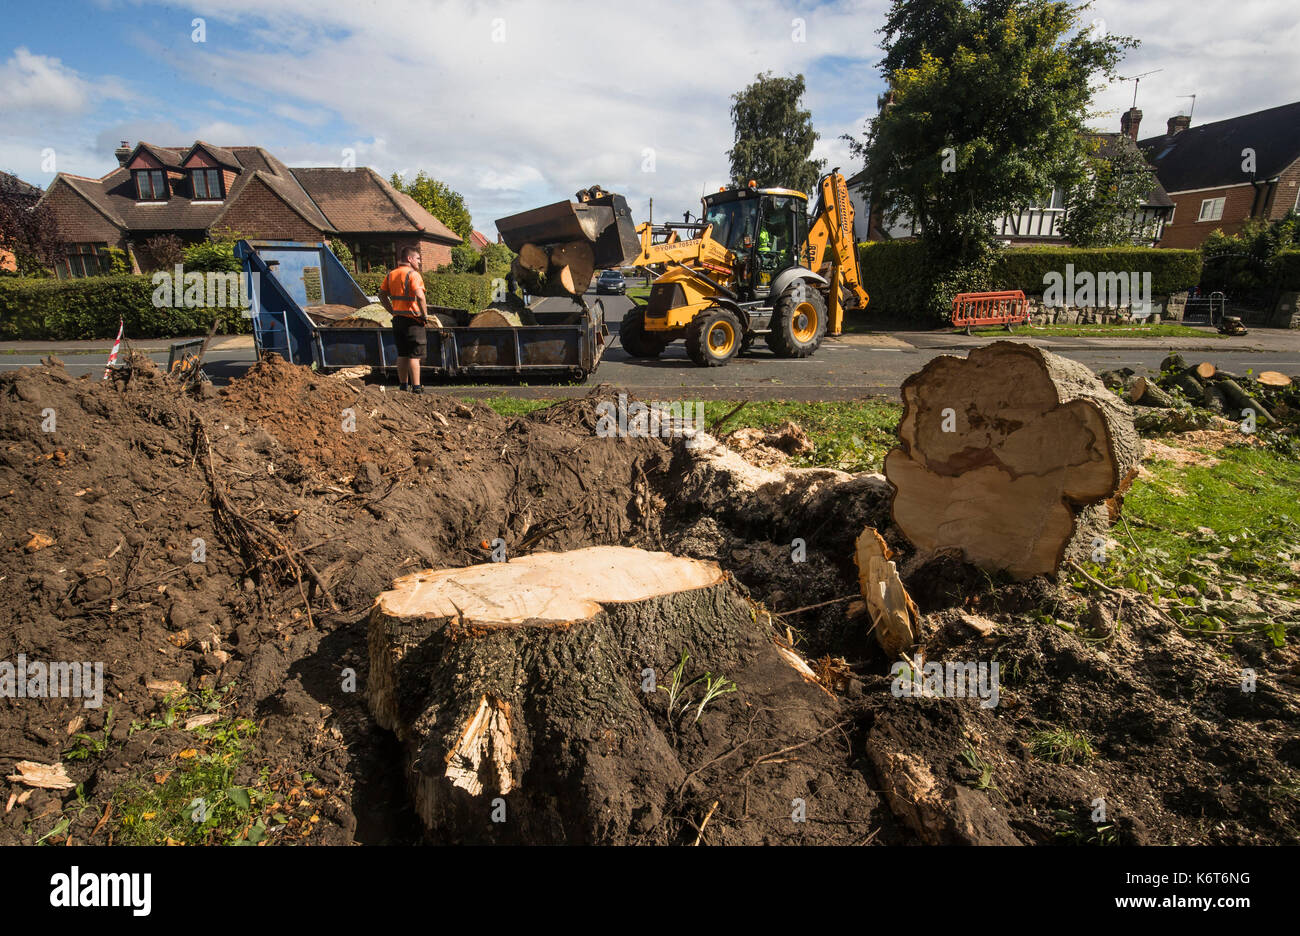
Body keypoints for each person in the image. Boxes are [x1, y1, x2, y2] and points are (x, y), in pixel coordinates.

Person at [378, 246, 428, 393]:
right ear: (409, 259)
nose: (419, 262)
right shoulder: (414, 275)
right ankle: (417, 387)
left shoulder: (391, 275)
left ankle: (403, 385)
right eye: (418, 258)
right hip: (413, 320)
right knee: (415, 355)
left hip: (398, 320)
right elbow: (420, 296)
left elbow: (381, 295)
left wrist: (392, 310)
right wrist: (424, 315)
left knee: (402, 354)